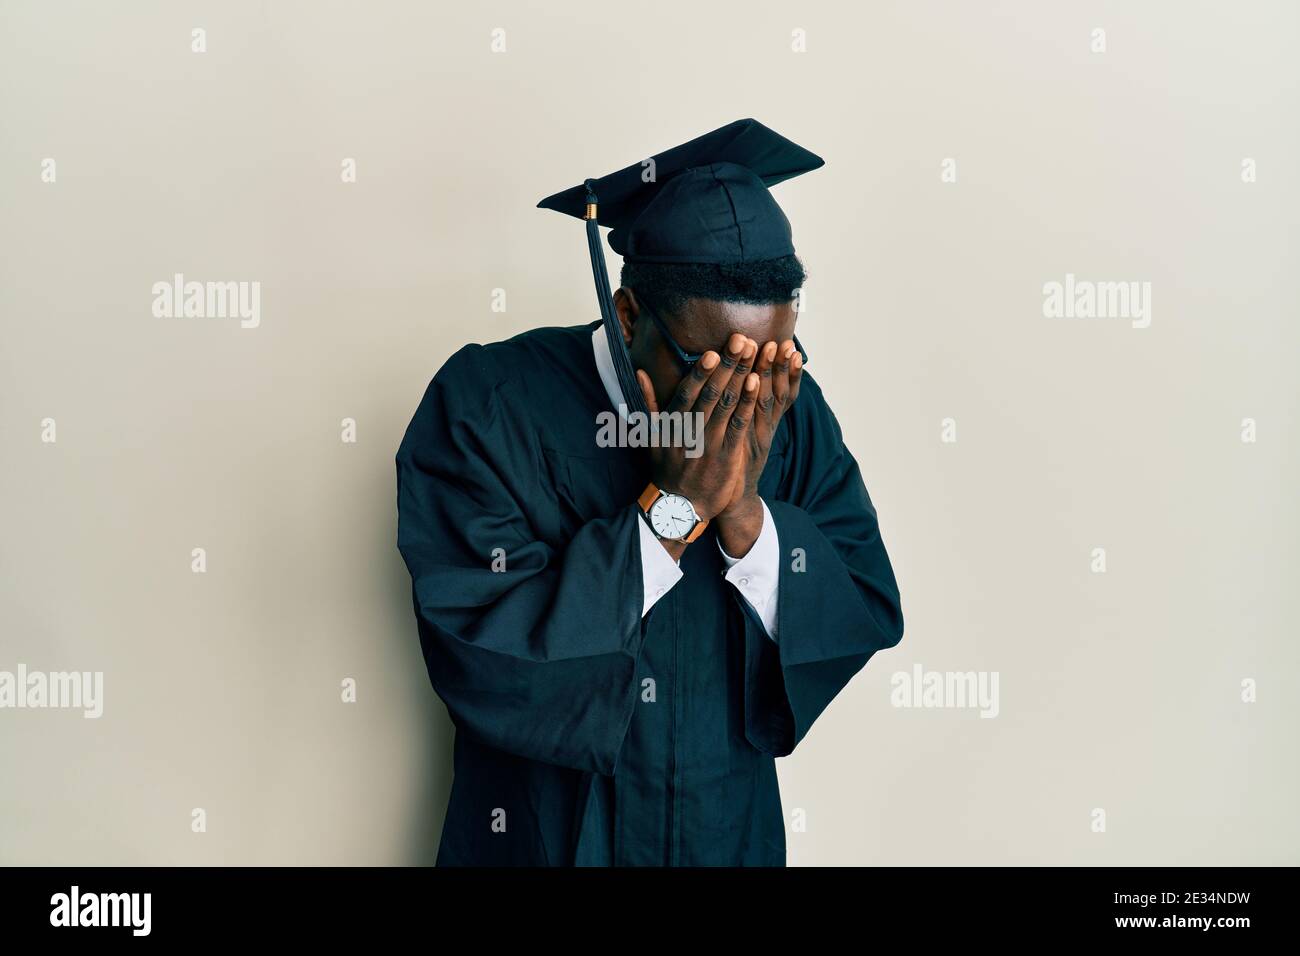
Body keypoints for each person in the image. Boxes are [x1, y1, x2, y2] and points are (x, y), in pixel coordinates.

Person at [395, 118, 904, 866]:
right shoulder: (488, 406)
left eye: (769, 362)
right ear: (628, 316)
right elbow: (482, 655)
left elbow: (859, 603)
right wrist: (675, 507)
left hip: (724, 835)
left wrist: (744, 512)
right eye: (712, 369)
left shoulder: (790, 409)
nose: (743, 399)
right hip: (542, 841)